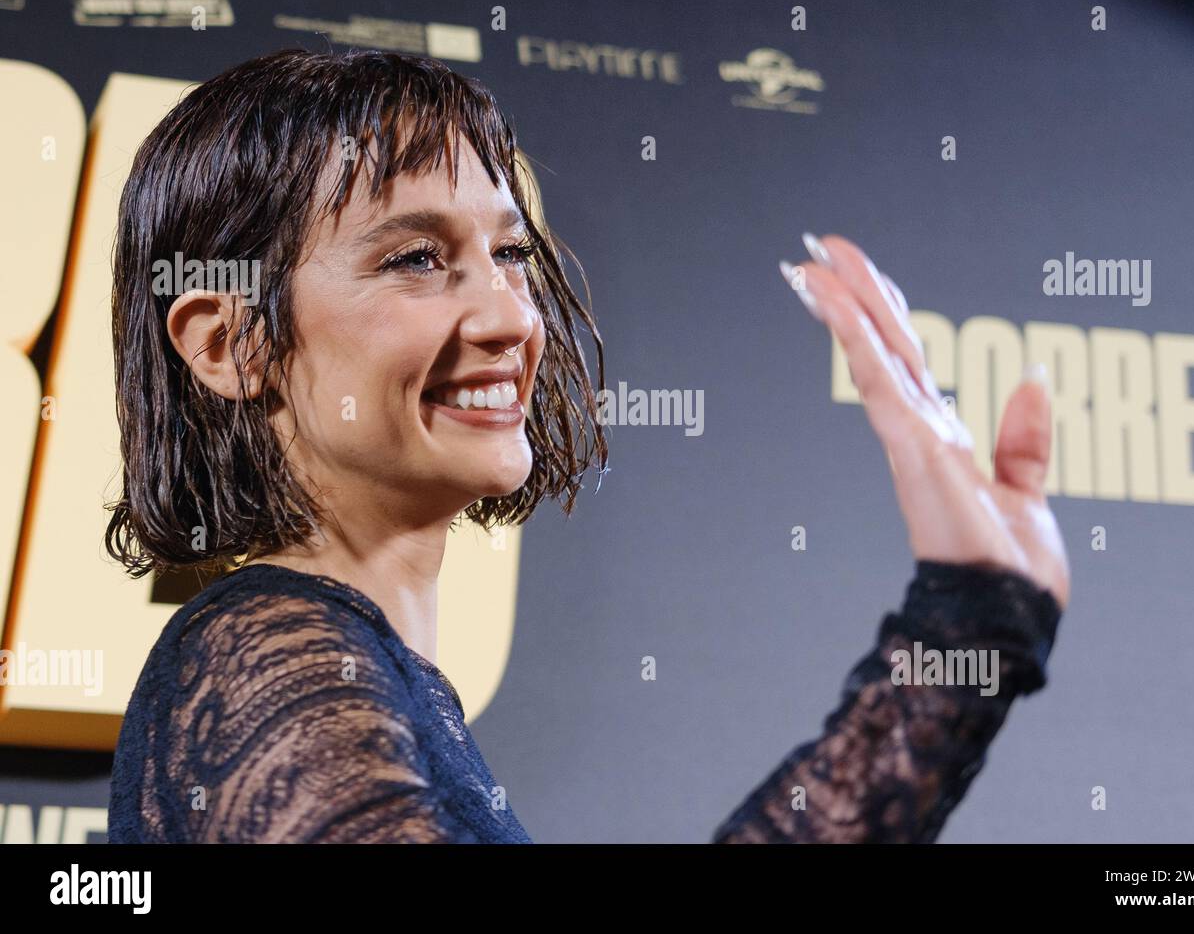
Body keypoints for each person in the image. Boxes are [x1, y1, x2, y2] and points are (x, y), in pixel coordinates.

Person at [104, 48, 1069, 843]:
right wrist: (960, 626)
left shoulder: (352, 669)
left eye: (510, 254)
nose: (509, 315)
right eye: (415, 259)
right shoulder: (263, 653)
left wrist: (975, 619)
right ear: (233, 345)